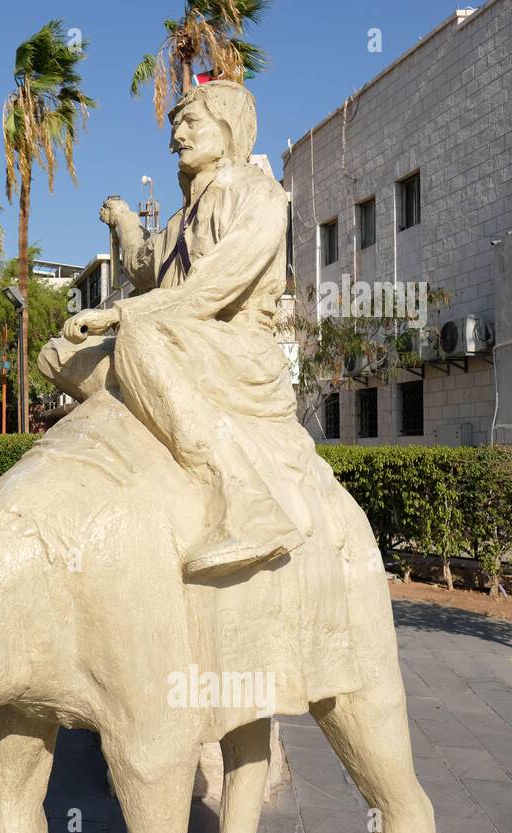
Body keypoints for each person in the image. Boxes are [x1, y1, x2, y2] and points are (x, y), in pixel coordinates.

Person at [58, 80, 310, 580]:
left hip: (237, 347)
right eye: (175, 125)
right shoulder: (180, 219)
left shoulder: (259, 195)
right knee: (55, 356)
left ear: (228, 127)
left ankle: (243, 498)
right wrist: (124, 217)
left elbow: (212, 289)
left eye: (191, 122)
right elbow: (139, 264)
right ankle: (139, 440)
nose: (176, 135)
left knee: (138, 338)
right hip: (184, 343)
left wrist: (120, 314)